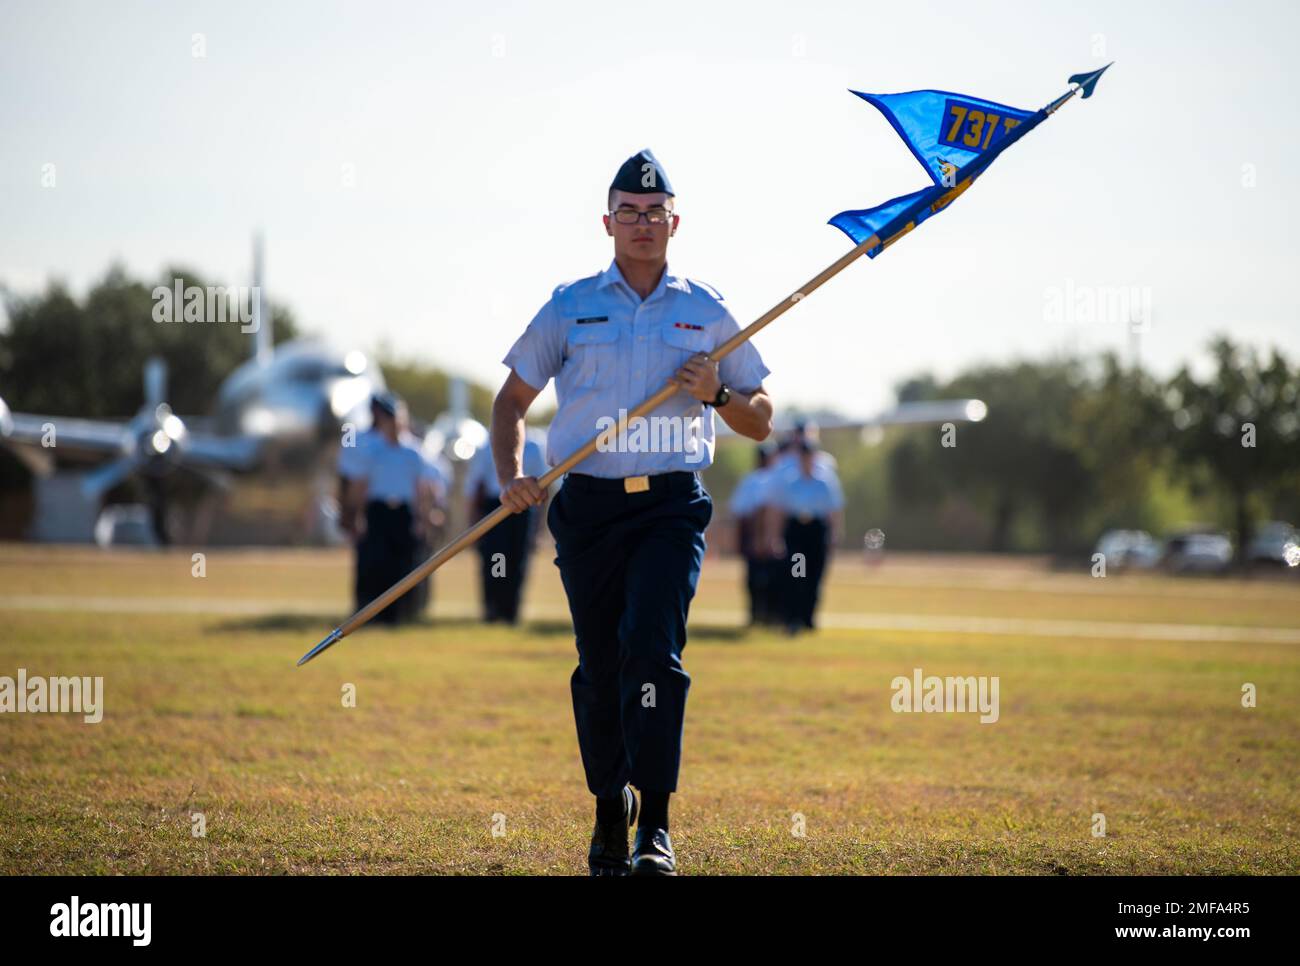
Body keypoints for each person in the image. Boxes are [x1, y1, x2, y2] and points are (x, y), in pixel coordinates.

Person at [491, 148, 773, 875]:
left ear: (674, 222)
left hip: (670, 510)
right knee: (601, 663)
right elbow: (511, 403)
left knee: (653, 650)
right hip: (586, 508)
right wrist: (512, 476)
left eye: (654, 214)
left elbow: (762, 417)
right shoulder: (569, 304)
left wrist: (716, 393)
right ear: (607, 222)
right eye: (629, 213)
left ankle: (657, 823)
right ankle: (607, 808)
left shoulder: (705, 310)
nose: (642, 224)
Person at [350, 392, 443, 625]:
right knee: (376, 562)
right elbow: (361, 486)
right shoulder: (371, 450)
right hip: (378, 511)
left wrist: (423, 518)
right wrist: (357, 516)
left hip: (403, 513)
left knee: (403, 564)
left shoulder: (414, 452)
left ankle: (401, 615)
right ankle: (373, 615)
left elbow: (421, 489)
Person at [463, 428, 547, 623]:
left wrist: (539, 524)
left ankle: (511, 611)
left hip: (524, 508)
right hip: (497, 508)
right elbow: (476, 485)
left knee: (517, 559)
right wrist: (473, 521)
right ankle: (493, 607)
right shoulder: (487, 446)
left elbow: (543, 485)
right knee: (497, 559)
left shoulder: (533, 447)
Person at [770, 440, 843, 635]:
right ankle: (793, 617)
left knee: (814, 576)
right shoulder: (790, 482)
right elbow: (781, 511)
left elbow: (833, 511)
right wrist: (776, 536)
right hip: (797, 532)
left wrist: (834, 534)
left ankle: (809, 618)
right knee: (797, 574)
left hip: (816, 532)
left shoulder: (825, 482)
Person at [338, 395, 384, 609]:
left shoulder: (399, 442)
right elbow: (348, 479)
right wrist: (349, 512)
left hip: (390, 510)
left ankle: (388, 613)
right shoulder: (359, 439)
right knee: (367, 561)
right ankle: (364, 606)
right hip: (367, 508)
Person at [729, 443, 780, 625]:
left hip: (762, 534)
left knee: (758, 577)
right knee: (763, 577)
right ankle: (765, 614)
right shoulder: (759, 479)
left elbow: (739, 510)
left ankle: (761, 614)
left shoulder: (754, 479)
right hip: (758, 534)